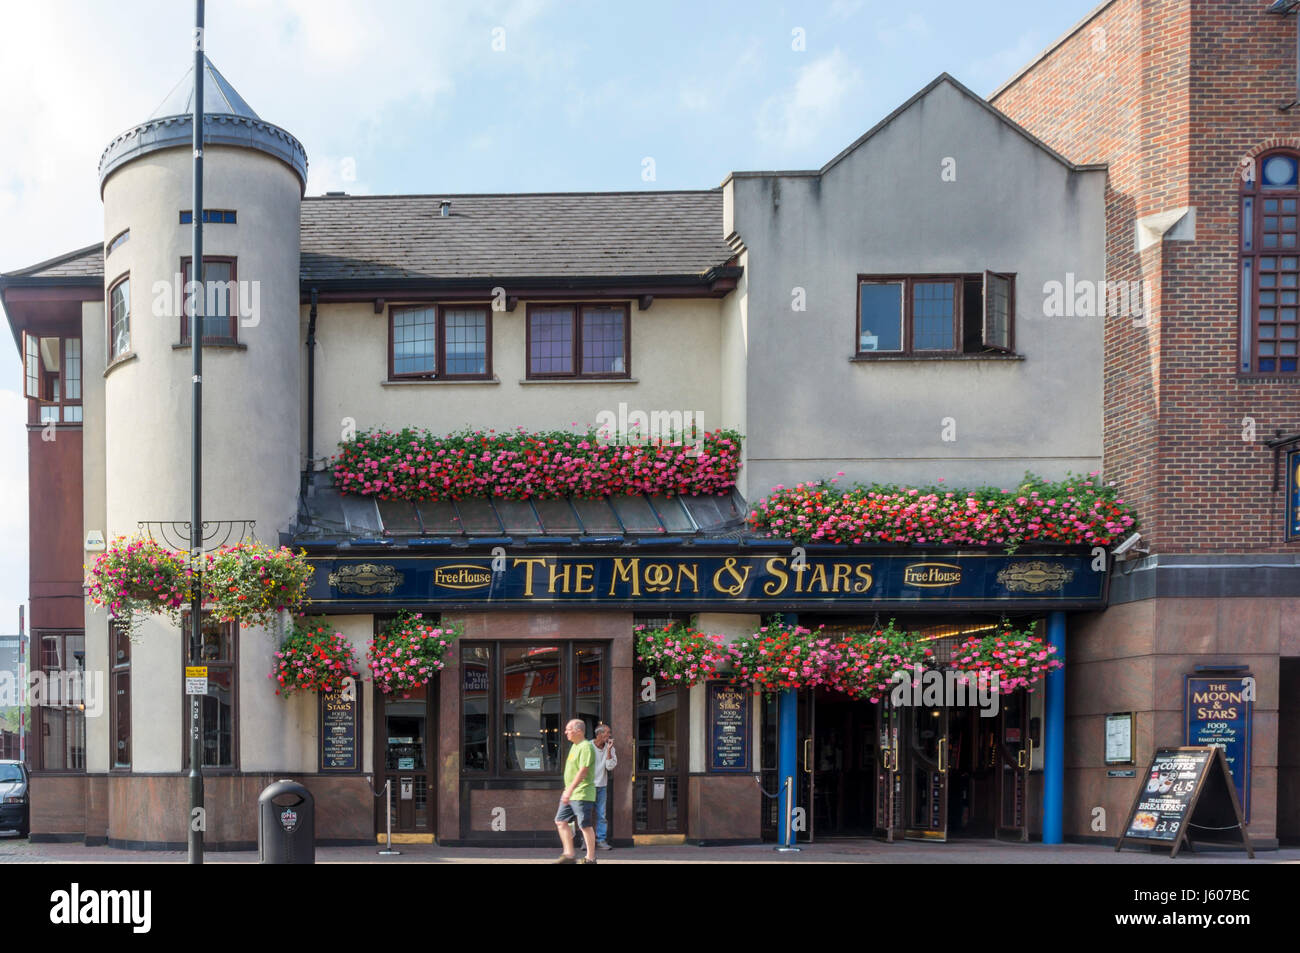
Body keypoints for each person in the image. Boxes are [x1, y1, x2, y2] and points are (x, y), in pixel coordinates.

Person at [554, 718, 597, 864]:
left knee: (585, 825)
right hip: (570, 792)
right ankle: (569, 855)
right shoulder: (574, 746)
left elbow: (583, 771)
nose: (566, 732)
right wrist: (567, 790)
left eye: (568, 729)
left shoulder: (586, 747)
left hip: (582, 792)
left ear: (578, 731)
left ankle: (590, 859)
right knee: (560, 821)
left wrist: (570, 789)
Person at [592, 723, 617, 849]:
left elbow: (610, 766)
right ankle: (586, 841)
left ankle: (601, 840)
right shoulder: (588, 746)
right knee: (585, 814)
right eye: (608, 732)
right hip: (588, 786)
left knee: (601, 815)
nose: (610, 735)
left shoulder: (610, 748)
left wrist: (608, 751)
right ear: (600, 734)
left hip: (602, 785)